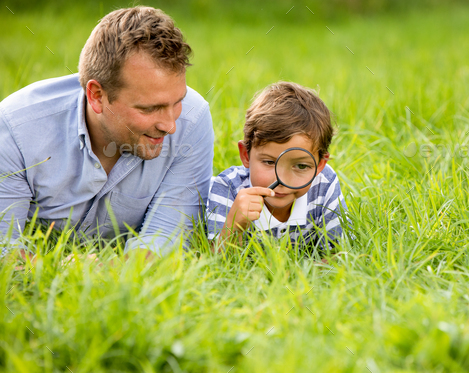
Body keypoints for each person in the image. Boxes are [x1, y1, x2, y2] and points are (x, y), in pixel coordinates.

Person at [0, 7, 214, 259]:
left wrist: (94, 275)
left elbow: (165, 241)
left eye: (177, 101)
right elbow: (5, 251)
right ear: (96, 96)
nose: (170, 125)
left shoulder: (193, 118)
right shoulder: (15, 128)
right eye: (149, 108)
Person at [207, 81, 347, 251]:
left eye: (301, 166)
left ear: (320, 165)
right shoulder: (227, 187)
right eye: (269, 162)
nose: (283, 180)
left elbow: (338, 254)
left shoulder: (324, 184)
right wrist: (233, 226)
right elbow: (216, 263)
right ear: (246, 155)